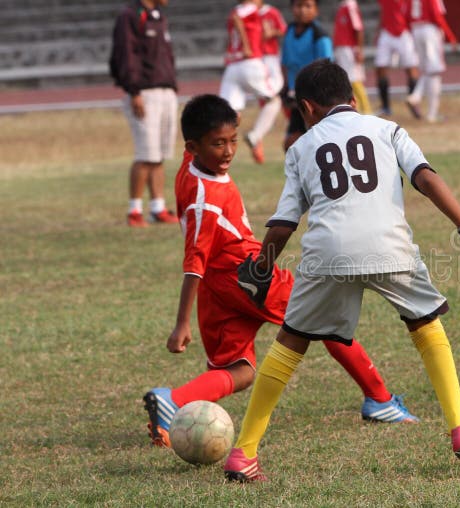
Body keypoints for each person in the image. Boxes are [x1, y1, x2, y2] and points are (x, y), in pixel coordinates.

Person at [223, 60, 460, 482]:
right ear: (353, 99)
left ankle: (244, 452)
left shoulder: (301, 148)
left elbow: (284, 223)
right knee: (425, 323)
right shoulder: (388, 129)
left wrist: (262, 268)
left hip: (327, 253)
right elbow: (425, 178)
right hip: (390, 247)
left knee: (291, 342)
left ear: (306, 108)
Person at [142, 94, 418, 448]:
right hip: (248, 275)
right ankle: (379, 399)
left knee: (239, 370)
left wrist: (226, 115)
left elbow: (204, 129)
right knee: (327, 317)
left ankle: (174, 400)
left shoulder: (190, 167)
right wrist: (182, 323)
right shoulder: (205, 201)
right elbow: (193, 262)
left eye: (232, 140)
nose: (228, 151)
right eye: (218, 144)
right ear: (193, 147)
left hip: (220, 285)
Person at [110, 0, 180, 227]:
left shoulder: (159, 16)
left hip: (165, 89)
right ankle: (134, 211)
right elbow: (125, 55)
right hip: (144, 93)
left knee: (159, 155)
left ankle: (158, 208)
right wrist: (134, 91)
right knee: (145, 154)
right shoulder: (130, 16)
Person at [219, 0, 282, 165]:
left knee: (229, 116)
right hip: (250, 63)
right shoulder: (249, 8)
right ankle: (255, 136)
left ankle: (215, 151)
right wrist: (247, 45)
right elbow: (237, 18)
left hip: (233, 66)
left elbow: (235, 24)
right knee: (274, 101)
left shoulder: (238, 10)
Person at [280, 0, 333, 151]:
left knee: (319, 143)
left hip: (315, 98)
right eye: (299, 5)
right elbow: (285, 62)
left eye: (308, 6)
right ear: (292, 8)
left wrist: (317, 98)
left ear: (316, 10)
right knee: (291, 145)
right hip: (296, 97)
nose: (303, 10)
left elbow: (326, 70)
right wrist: (285, 87)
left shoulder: (320, 36)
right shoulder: (289, 31)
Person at [405, 0, 457, 123]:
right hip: (429, 30)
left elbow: (406, 13)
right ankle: (431, 113)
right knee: (434, 71)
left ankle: (416, 96)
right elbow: (436, 15)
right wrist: (450, 35)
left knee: (428, 71)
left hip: (416, 29)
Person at [374, 0, 419, 117]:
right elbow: (384, 11)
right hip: (387, 31)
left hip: (403, 31)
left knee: (411, 68)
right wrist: (379, 29)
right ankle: (385, 107)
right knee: (380, 68)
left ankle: (413, 102)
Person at [333, 0, 372, 114]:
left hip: (348, 49)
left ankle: (366, 110)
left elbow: (358, 28)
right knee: (349, 81)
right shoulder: (343, 6)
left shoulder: (350, 6)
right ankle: (357, 109)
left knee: (354, 79)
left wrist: (359, 50)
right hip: (342, 48)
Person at [259, 3, 288, 98]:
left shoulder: (272, 12)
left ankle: (270, 97)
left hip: (270, 53)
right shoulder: (247, 13)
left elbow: (283, 29)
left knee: (276, 80)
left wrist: (272, 32)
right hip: (255, 55)